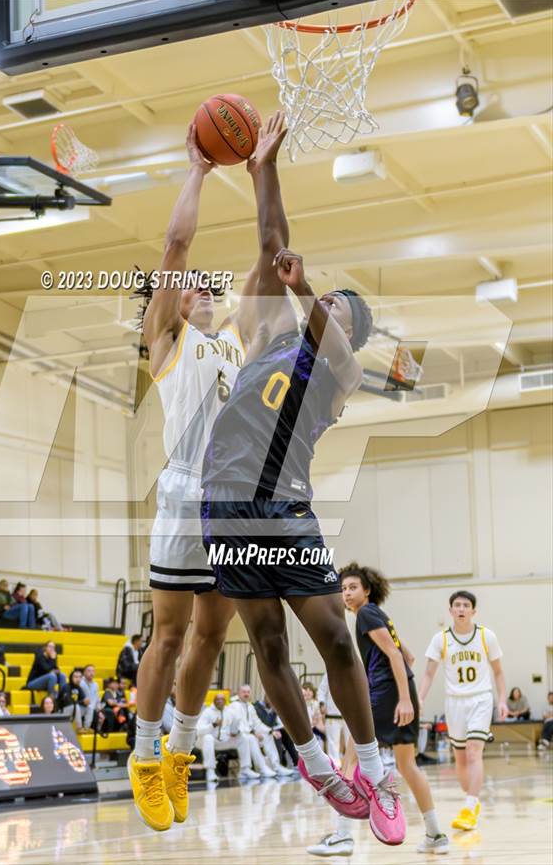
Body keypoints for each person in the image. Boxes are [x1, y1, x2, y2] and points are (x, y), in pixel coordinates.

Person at [200, 116, 404, 845]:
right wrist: (263, 168)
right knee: (267, 648)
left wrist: (316, 291)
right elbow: (271, 245)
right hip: (224, 508)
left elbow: (327, 324)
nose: (324, 310)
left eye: (340, 311)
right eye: (326, 305)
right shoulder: (263, 335)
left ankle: (378, 773)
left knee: (336, 641)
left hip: (284, 506)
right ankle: (318, 766)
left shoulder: (339, 373)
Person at [128, 114, 274, 832]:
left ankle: (181, 755)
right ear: (170, 307)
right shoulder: (168, 343)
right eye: (188, 290)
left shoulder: (233, 346)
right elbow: (177, 245)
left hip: (233, 501)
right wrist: (199, 166)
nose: (201, 289)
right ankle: (145, 756)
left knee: (214, 639)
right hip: (184, 494)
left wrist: (260, 173)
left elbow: (266, 256)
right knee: (168, 635)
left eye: (203, 289)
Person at [341, 564, 449, 854]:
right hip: (397, 692)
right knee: (406, 765)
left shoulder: (366, 613)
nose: (347, 593)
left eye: (352, 587)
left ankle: (343, 835)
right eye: (343, 589)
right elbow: (408, 656)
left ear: (367, 590)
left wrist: (403, 698)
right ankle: (436, 834)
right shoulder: (378, 615)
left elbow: (393, 653)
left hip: (386, 694)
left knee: (351, 757)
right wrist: (409, 695)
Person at [418, 590, 508, 832]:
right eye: (456, 605)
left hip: (480, 699)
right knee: (460, 759)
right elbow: (428, 673)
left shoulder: (486, 636)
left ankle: (470, 805)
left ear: (473, 611)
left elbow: (498, 671)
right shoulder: (441, 639)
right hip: (454, 702)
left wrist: (502, 700)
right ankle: (472, 799)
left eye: (465, 605)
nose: (461, 609)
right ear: (450, 611)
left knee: (473, 752)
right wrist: (420, 698)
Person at [196, 692, 258, 782]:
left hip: (223, 742)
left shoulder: (230, 712)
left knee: (243, 738)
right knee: (208, 738)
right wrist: (213, 725)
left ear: (225, 701)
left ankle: (245, 769)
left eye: (222, 699)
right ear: (214, 701)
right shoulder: (207, 712)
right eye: (218, 699)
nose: (220, 701)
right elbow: (199, 731)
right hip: (205, 742)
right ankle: (210, 771)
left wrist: (236, 732)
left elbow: (239, 726)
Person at [229, 684, 288, 777]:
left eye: (248, 692)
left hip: (250, 735)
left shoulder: (250, 706)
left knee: (268, 735)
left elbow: (257, 723)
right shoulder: (234, 706)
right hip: (238, 737)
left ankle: (276, 766)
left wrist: (270, 731)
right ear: (239, 693)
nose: (246, 694)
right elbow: (238, 726)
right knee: (251, 738)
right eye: (243, 692)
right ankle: (262, 768)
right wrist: (254, 733)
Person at [254, 693, 299, 770]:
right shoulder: (258, 707)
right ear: (266, 697)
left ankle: (297, 763)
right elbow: (268, 723)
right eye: (272, 699)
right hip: (262, 732)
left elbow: (275, 723)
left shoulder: (269, 707)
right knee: (278, 734)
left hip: (272, 730)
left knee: (285, 733)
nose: (274, 702)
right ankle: (279, 765)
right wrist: (274, 711)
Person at [317, 673, 345, 766]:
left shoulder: (351, 670)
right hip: (332, 714)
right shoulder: (329, 673)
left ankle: (351, 766)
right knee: (333, 743)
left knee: (350, 743)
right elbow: (321, 690)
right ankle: (335, 766)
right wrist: (322, 703)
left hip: (349, 715)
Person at [79, 664, 101, 730]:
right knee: (90, 708)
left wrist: (99, 709)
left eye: (93, 671)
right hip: (82, 706)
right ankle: (86, 728)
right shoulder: (80, 682)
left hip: (93, 707)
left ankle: (98, 731)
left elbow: (97, 698)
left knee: (104, 714)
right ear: (84, 672)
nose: (91, 673)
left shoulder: (96, 684)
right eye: (89, 671)